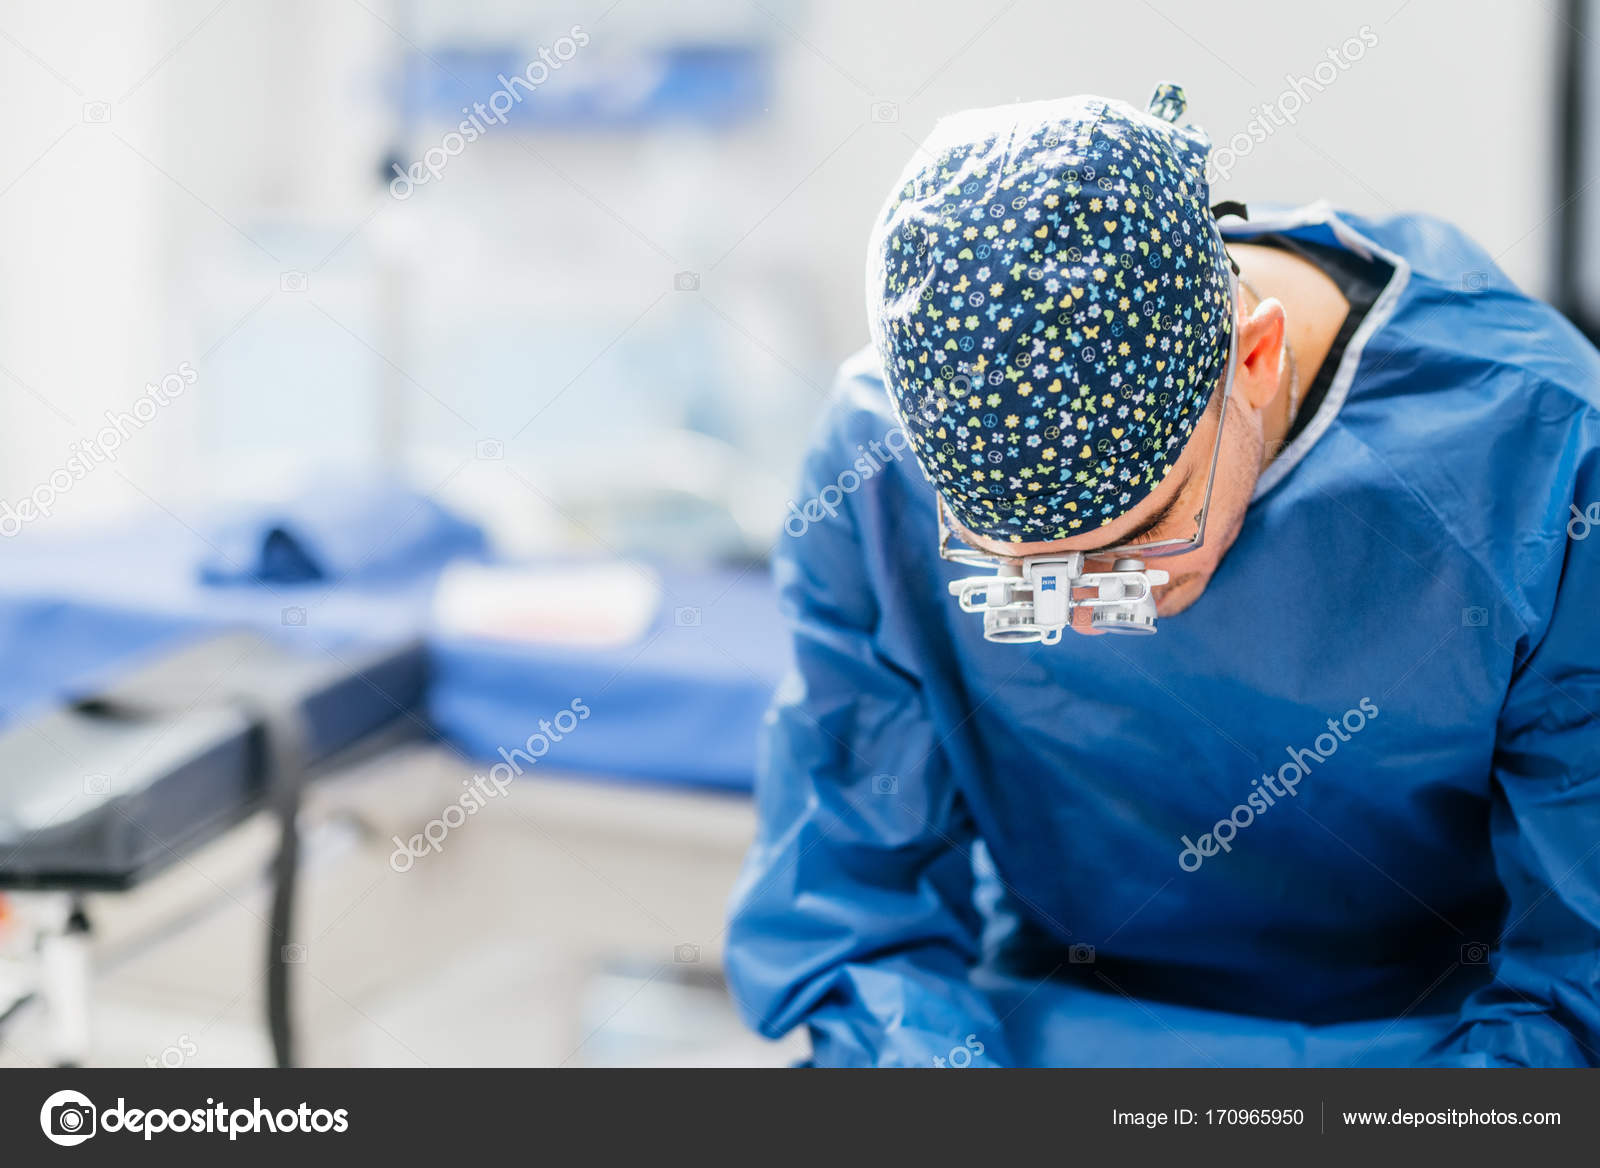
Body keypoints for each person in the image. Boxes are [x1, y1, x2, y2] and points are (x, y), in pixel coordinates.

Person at [724, 84, 1600, 1067]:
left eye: (1137, 536)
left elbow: (1580, 977)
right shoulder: (877, 465)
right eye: (1016, 572)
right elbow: (851, 912)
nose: (1088, 609)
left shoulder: (1539, 455)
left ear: (1256, 359)